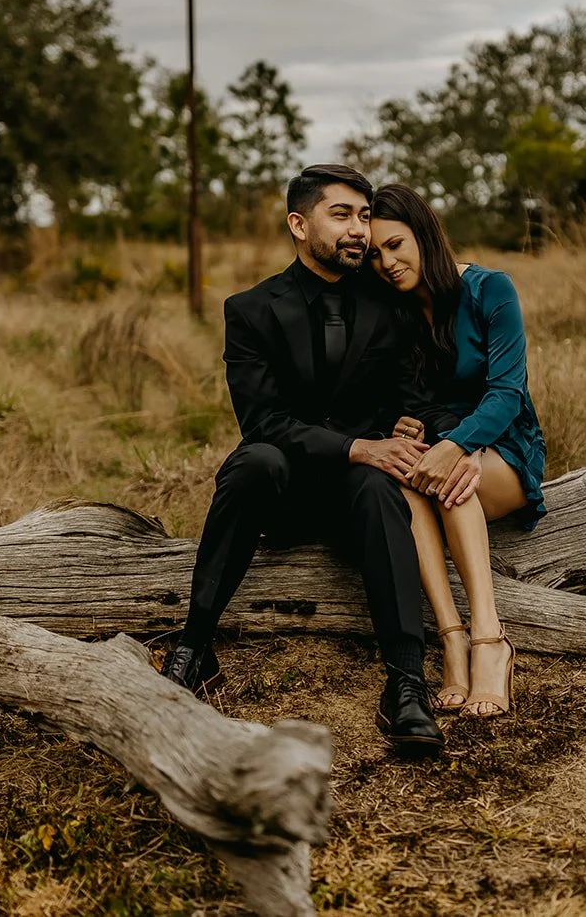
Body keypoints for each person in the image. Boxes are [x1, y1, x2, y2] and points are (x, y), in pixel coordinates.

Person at [163, 164, 461, 753]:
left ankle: (405, 686)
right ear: (299, 224)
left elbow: (415, 398)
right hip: (283, 493)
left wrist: (423, 426)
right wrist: (358, 444)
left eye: (366, 215)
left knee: (379, 487)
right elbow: (262, 422)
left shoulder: (387, 304)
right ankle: (194, 648)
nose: (359, 230)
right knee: (254, 462)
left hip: (357, 495)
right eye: (342, 214)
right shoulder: (249, 310)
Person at [367, 184, 547, 719]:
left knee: (450, 483)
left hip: (509, 446)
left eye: (396, 244)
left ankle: (490, 640)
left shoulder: (491, 289)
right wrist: (408, 425)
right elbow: (405, 397)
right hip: (443, 445)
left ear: (425, 233)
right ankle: (452, 639)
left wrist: (461, 445)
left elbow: (508, 391)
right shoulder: (396, 313)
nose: (388, 263)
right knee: (405, 483)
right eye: (376, 254)